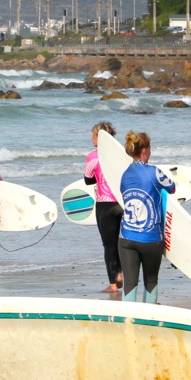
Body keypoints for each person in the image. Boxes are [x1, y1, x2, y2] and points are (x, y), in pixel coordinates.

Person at [118, 131, 175, 303]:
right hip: (150, 239)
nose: (150, 152)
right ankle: (148, 321)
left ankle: (127, 323)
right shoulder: (154, 172)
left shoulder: (125, 174)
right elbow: (172, 188)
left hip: (126, 238)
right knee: (150, 281)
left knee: (130, 284)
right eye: (149, 149)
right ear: (144, 150)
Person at [84, 121, 123, 293]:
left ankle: (113, 283)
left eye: (93, 135)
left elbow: (87, 179)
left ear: (99, 137)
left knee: (109, 244)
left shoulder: (93, 156)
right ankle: (121, 272)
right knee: (120, 240)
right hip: (122, 202)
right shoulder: (122, 154)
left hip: (105, 203)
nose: (91, 138)